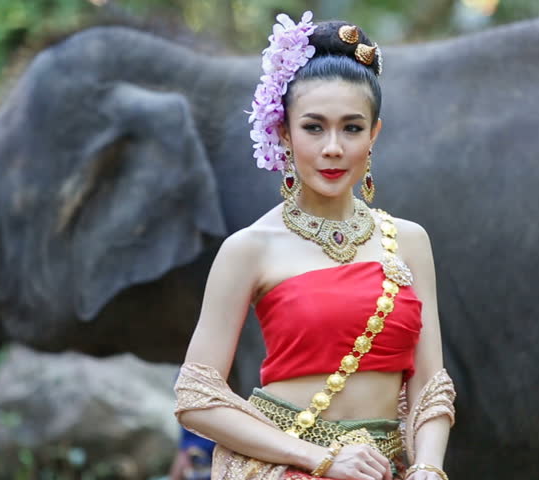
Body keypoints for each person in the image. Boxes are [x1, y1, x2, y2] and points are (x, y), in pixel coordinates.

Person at [174, 11, 455, 480]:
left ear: (374, 134)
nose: (333, 148)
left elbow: (430, 387)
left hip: (384, 470)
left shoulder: (409, 241)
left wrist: (428, 466)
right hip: (285, 467)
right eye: (313, 127)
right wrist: (317, 458)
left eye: (352, 128)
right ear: (284, 131)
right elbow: (196, 397)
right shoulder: (249, 248)